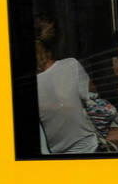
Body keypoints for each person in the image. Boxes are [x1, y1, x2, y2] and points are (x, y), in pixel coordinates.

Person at [36, 16, 99, 155]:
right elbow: (92, 96)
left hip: (54, 153)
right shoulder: (71, 65)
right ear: (58, 41)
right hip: (87, 146)